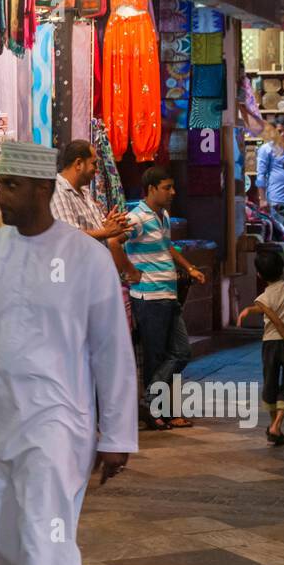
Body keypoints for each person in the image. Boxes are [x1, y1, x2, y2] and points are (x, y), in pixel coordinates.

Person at [0, 142, 137, 565]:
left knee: (46, 538)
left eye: (11, 186)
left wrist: (116, 434)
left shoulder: (87, 259)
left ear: (41, 189)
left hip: (59, 425)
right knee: (2, 541)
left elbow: (112, 351)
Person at [121, 166, 206, 430]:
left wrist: (188, 267)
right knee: (156, 356)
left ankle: (153, 403)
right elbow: (114, 242)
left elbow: (167, 246)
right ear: (151, 189)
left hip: (167, 294)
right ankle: (158, 410)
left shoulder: (163, 216)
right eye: (167, 187)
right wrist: (130, 271)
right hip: (149, 297)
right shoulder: (137, 219)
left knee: (181, 352)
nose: (172, 192)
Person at [237, 249, 284, 446]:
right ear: (282, 268)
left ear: (259, 275)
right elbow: (278, 321)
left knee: (270, 382)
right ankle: (277, 425)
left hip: (270, 344)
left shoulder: (263, 297)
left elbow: (269, 310)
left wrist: (250, 309)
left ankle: (274, 426)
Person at [50, 140, 127, 241]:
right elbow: (68, 235)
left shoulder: (84, 191)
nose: (96, 169)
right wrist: (106, 232)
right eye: (94, 164)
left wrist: (109, 223)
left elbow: (97, 226)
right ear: (78, 164)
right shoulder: (58, 190)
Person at [256, 117, 284, 230]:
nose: (283, 134)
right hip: (275, 200)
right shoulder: (266, 149)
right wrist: (262, 199)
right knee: (278, 233)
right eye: (280, 131)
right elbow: (261, 175)